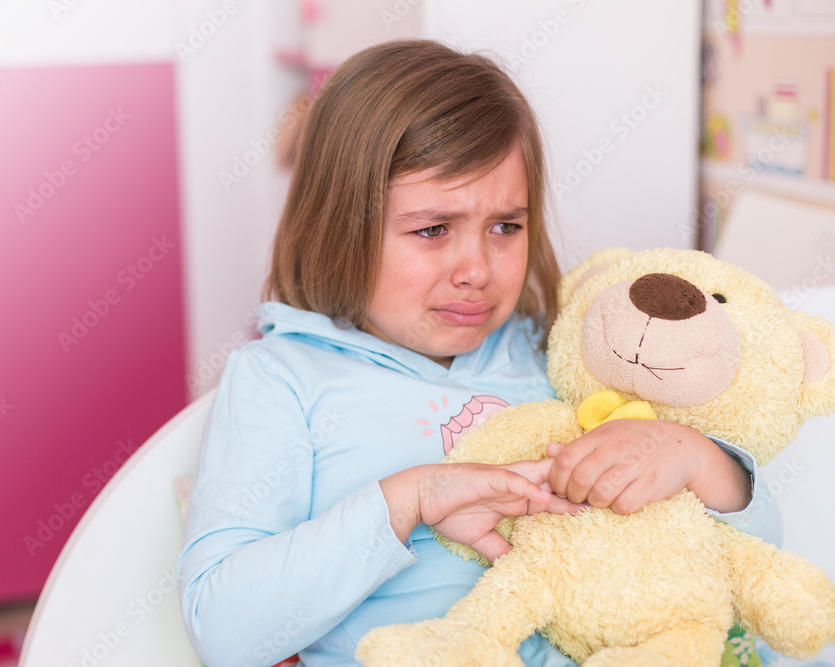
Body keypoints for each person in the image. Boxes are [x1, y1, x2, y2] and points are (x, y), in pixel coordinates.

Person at [176, 39, 774, 667]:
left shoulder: (561, 352)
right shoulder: (283, 379)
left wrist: (697, 458)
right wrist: (412, 498)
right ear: (341, 224)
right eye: (432, 230)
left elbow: (755, 560)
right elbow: (224, 635)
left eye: (505, 227)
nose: (478, 270)